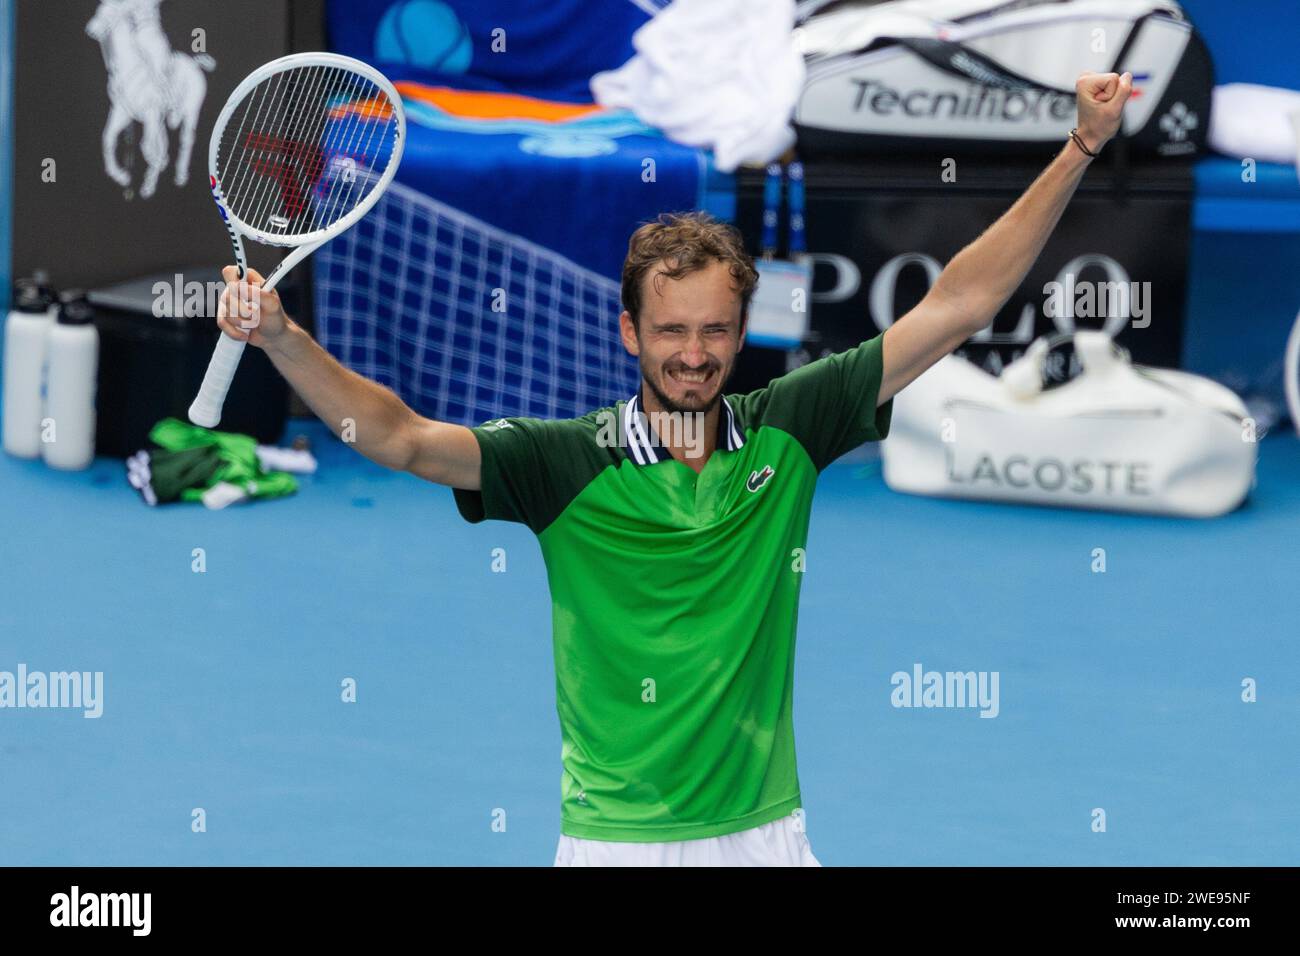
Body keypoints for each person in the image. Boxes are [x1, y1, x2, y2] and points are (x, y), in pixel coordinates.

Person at [214, 72, 1132, 866]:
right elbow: (402, 439)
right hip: (615, 836)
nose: (694, 355)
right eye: (671, 331)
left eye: (715, 331)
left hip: (764, 831)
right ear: (630, 333)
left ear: (739, 334)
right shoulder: (560, 461)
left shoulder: (793, 427)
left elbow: (958, 303)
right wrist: (286, 340)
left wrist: (1080, 147)